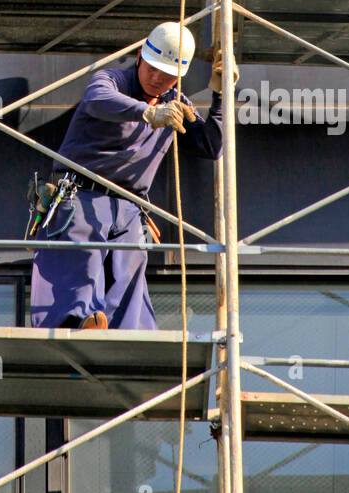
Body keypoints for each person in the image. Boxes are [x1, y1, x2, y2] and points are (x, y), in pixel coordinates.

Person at [29, 23, 228, 330]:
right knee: (81, 263)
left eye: (168, 75)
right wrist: (146, 113)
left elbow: (210, 146)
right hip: (82, 196)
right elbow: (98, 100)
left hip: (129, 207)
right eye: (152, 69)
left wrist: (220, 95)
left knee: (129, 273)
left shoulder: (175, 104)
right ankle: (77, 323)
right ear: (139, 57)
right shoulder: (111, 81)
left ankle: (127, 335)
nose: (158, 79)